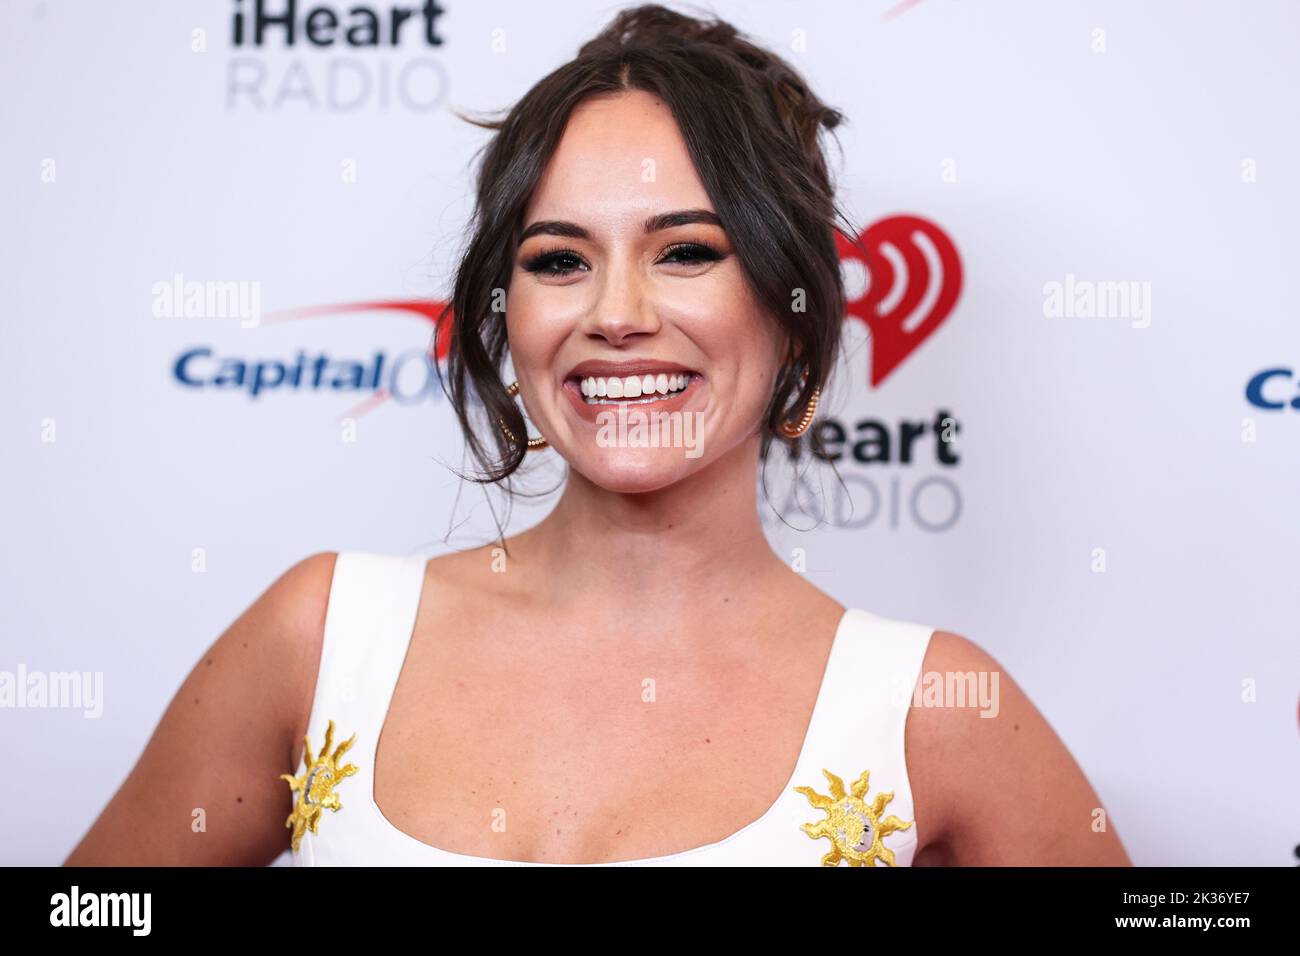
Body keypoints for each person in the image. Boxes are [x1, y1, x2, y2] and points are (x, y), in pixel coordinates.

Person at [65, 4, 1130, 867]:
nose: (615, 312)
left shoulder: (935, 710)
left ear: (789, 305)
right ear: (506, 314)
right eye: (559, 259)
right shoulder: (321, 631)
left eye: (686, 251)